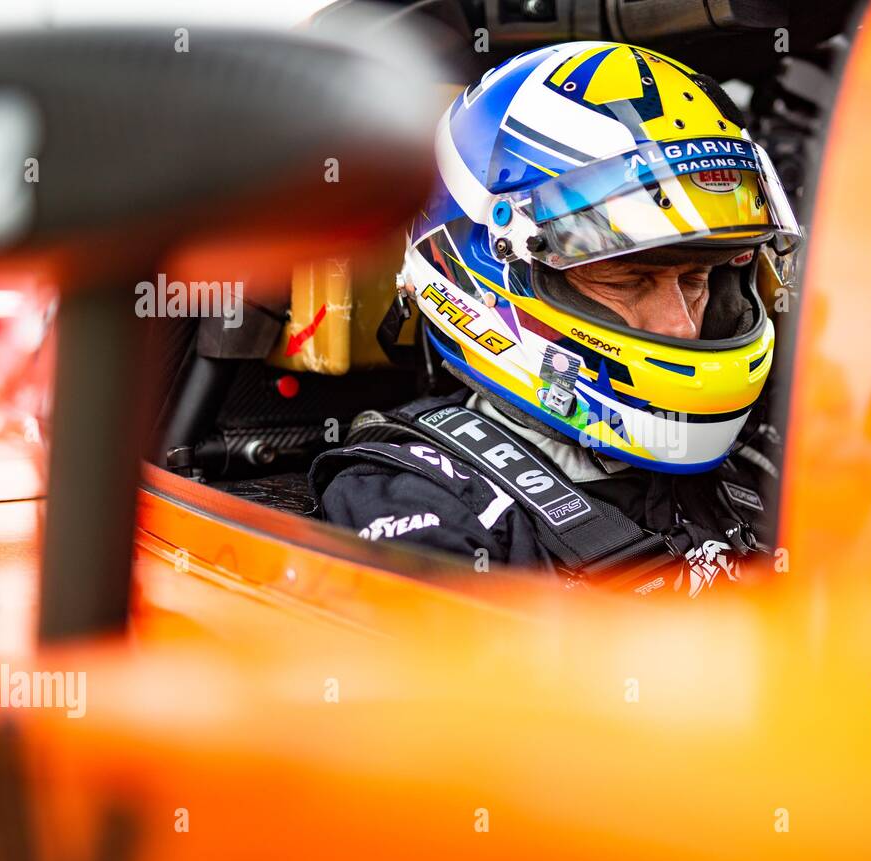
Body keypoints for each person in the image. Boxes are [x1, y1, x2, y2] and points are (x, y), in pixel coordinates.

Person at [309, 41, 801, 596]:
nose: (682, 326)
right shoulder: (426, 508)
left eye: (697, 280)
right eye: (628, 282)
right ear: (485, 276)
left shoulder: (761, 468)